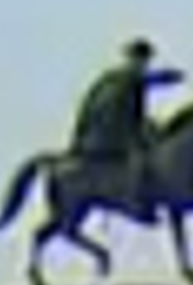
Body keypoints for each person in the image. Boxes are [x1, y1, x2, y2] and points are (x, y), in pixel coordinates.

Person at [69, 39, 186, 218]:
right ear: (131, 59)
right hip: (108, 135)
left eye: (145, 61)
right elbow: (140, 84)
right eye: (140, 60)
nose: (142, 64)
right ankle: (134, 199)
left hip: (105, 130)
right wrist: (165, 78)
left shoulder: (113, 78)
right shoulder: (124, 78)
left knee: (155, 135)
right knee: (142, 156)